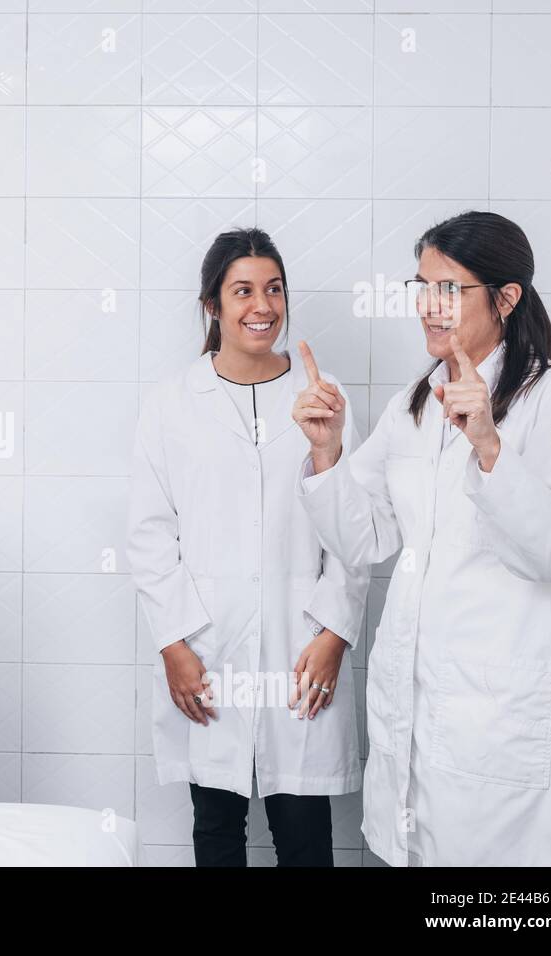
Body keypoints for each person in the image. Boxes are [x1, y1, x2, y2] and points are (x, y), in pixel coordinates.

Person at [294, 210, 551, 865]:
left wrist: (490, 445)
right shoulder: (415, 402)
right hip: (416, 700)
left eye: (449, 290)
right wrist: (326, 453)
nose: (429, 308)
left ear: (506, 297)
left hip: (504, 709)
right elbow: (366, 537)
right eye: (422, 287)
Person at [128, 228, 369, 866]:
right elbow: (150, 535)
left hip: (302, 647)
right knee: (215, 825)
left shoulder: (323, 397)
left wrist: (334, 635)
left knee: (304, 830)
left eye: (274, 289)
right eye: (243, 291)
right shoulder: (170, 405)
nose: (262, 305)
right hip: (209, 647)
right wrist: (175, 644)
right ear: (212, 304)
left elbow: (353, 528)